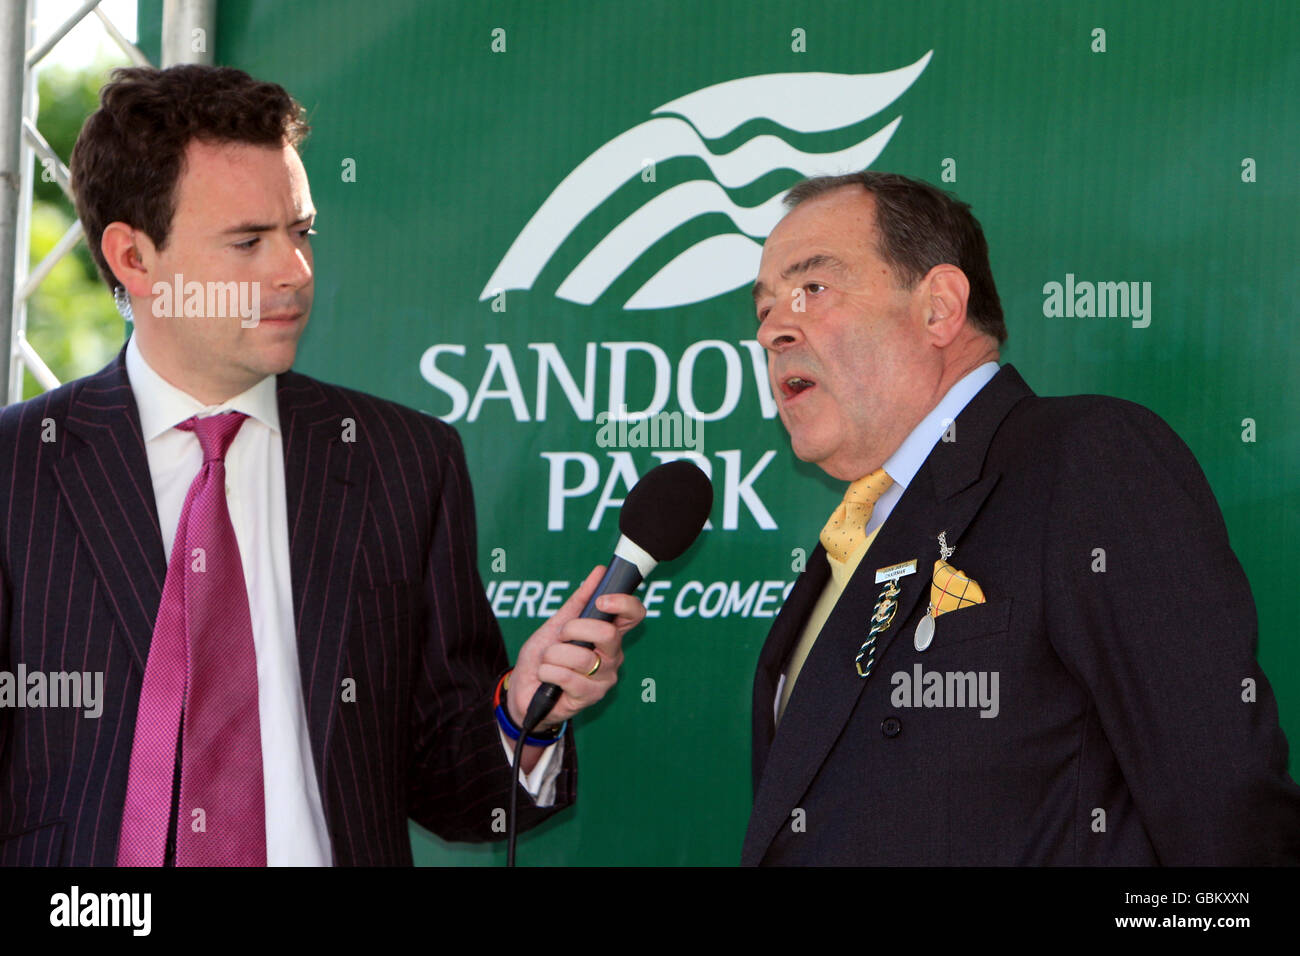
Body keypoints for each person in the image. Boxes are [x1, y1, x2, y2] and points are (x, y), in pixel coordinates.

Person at [0, 65, 644, 866]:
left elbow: (459, 793)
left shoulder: (403, 464)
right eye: (249, 242)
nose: (295, 272)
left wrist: (523, 714)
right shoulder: (20, 471)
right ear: (134, 257)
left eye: (301, 233)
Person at [743, 170, 1300, 865]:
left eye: (811, 289)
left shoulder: (1087, 460)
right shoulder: (853, 539)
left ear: (940, 307)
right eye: (762, 309)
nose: (772, 329)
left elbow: (1225, 809)